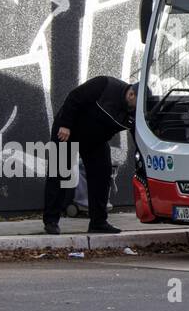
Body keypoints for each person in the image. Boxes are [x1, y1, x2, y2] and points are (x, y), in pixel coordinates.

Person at [43, 76, 136, 235]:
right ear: (131, 94)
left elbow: (138, 133)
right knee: (59, 173)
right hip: (68, 130)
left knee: (102, 174)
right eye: (137, 105)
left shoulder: (135, 110)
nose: (138, 109)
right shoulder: (105, 84)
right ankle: (51, 221)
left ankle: (98, 222)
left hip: (95, 140)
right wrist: (65, 124)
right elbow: (74, 97)